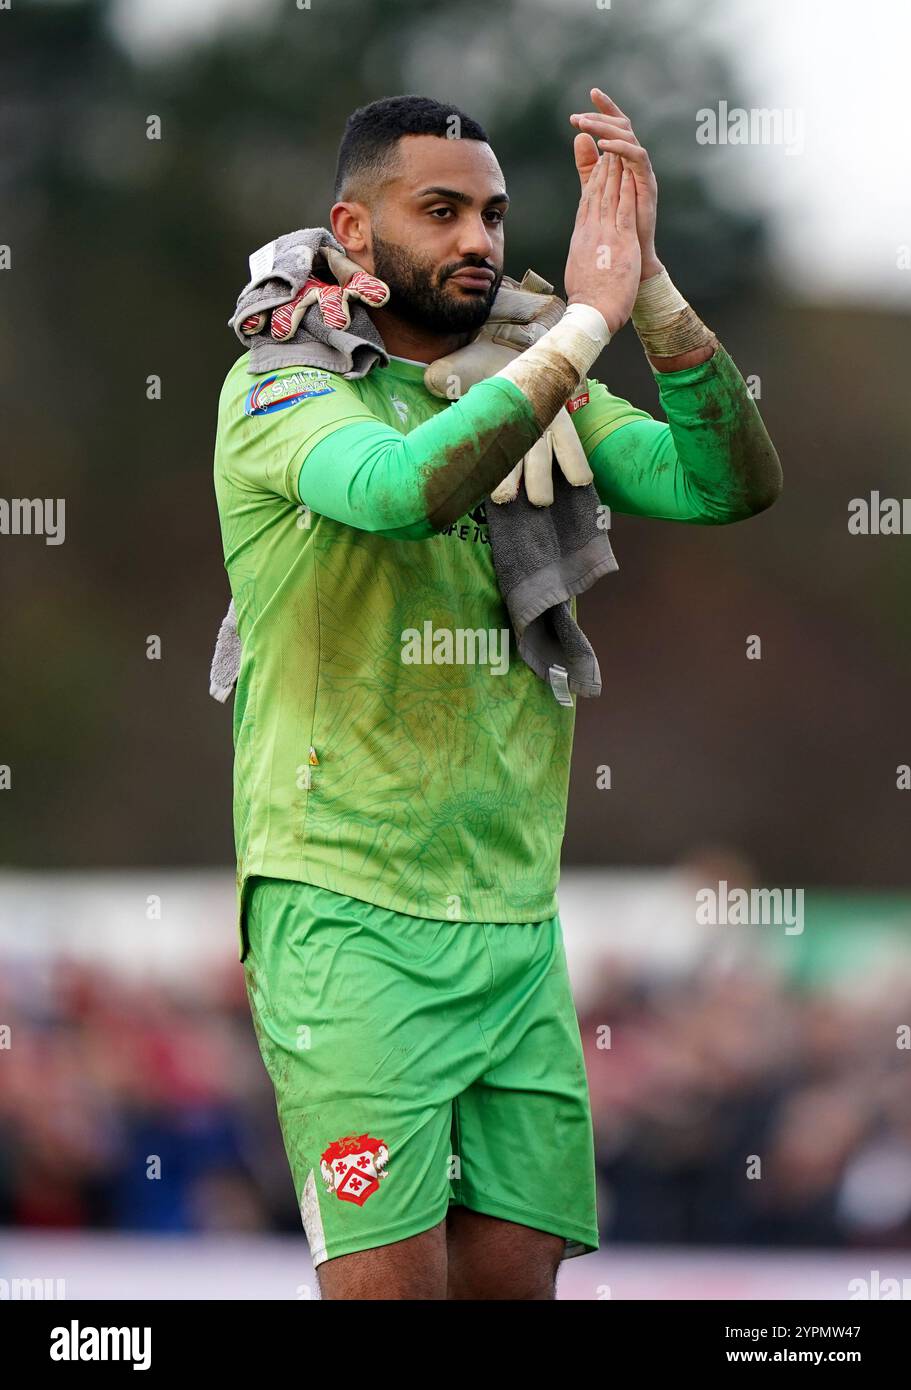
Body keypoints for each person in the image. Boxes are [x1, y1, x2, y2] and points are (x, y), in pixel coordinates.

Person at [212, 92, 782, 1300]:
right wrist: (578, 329)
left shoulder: (532, 371)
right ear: (352, 233)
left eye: (492, 213)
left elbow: (724, 483)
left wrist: (650, 293)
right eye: (440, 211)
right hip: (345, 915)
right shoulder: (279, 390)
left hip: (516, 928)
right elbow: (401, 489)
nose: (478, 238)